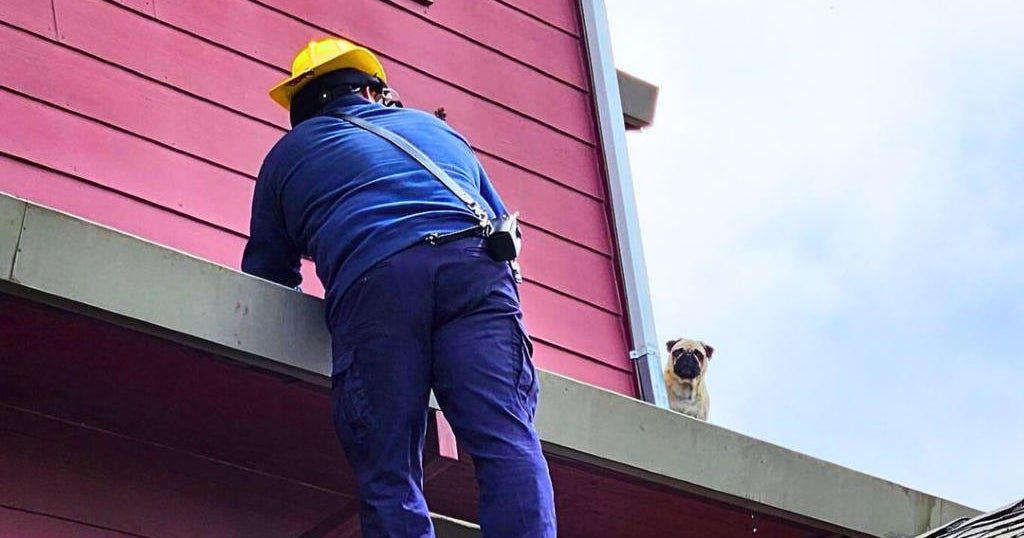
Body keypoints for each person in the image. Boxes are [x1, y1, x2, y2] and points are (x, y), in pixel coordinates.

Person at [241, 38, 556, 537]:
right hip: (476, 270)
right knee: (507, 441)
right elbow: (502, 224)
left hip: (377, 281)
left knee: (389, 469)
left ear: (299, 110)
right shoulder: (438, 130)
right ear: (371, 91)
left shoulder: (287, 156)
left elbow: (268, 274)